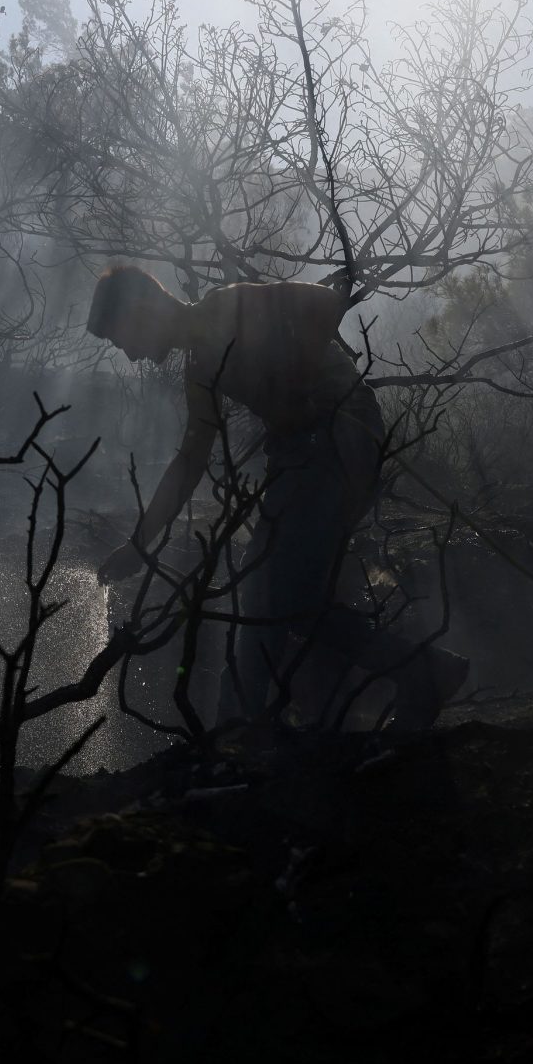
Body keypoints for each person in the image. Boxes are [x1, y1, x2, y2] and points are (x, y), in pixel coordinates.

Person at [87, 265, 468, 728]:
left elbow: (326, 303)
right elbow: (190, 461)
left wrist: (301, 387)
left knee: (276, 594)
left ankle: (245, 725)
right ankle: (247, 724)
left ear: (140, 311)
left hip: (341, 433)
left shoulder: (227, 304)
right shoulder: (200, 370)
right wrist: (141, 542)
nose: (129, 355)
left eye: (121, 338)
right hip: (298, 455)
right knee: (272, 596)